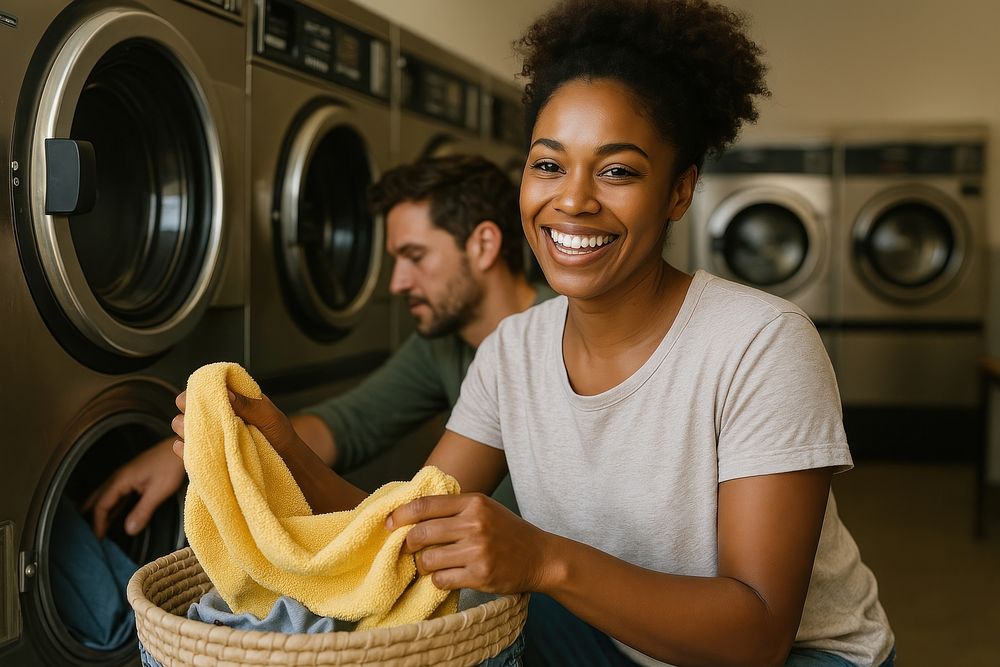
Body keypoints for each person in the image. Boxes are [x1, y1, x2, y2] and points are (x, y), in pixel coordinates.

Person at [173, 1, 898, 665]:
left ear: (680, 189)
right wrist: (277, 448)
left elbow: (758, 630)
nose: (573, 200)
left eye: (617, 170)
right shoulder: (513, 351)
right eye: (548, 164)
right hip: (613, 637)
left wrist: (544, 559)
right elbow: (406, 530)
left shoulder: (759, 343)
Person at [86, 155, 552, 538]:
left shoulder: (565, 337)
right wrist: (199, 451)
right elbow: (345, 425)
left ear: (484, 245)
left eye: (414, 257)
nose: (395, 284)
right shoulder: (441, 345)